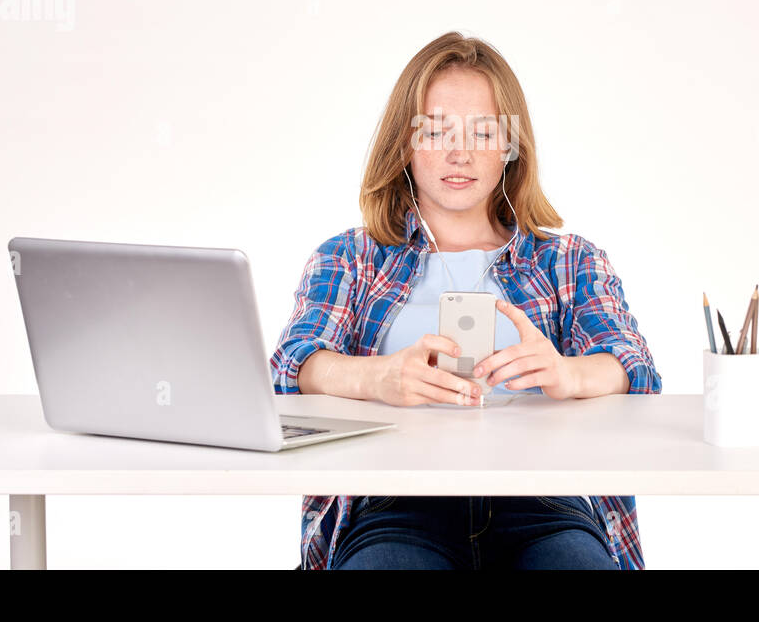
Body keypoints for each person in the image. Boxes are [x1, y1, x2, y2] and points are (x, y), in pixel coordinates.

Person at [270, 31, 663, 569]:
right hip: (396, 503)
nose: (460, 153)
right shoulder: (351, 257)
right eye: (436, 131)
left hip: (543, 502)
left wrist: (568, 372)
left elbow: (634, 368)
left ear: (510, 147)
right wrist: (377, 378)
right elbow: (289, 366)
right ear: (404, 144)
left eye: (483, 132)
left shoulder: (569, 260)